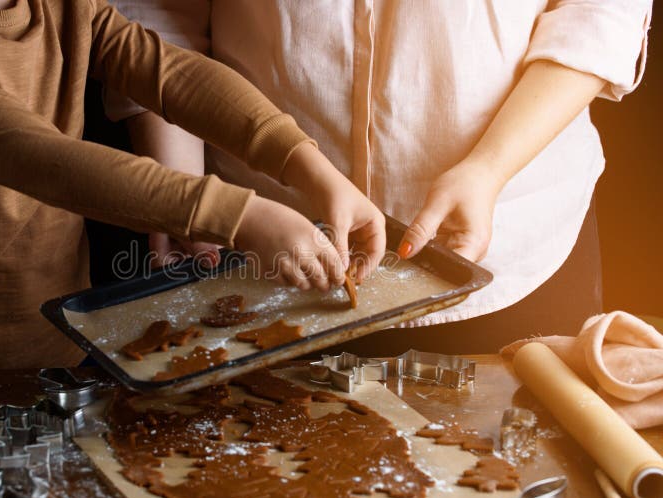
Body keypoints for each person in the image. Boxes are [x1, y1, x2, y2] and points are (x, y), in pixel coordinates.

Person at [105, 0, 653, 354]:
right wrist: (183, 196)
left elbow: (600, 11)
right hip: (256, 252)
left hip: (514, 242)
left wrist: (490, 167)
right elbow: (155, 16)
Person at [0, 0, 385, 368]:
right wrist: (243, 216)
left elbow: (172, 74)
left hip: (65, 342)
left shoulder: (66, 5)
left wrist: (308, 166)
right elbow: (56, 166)